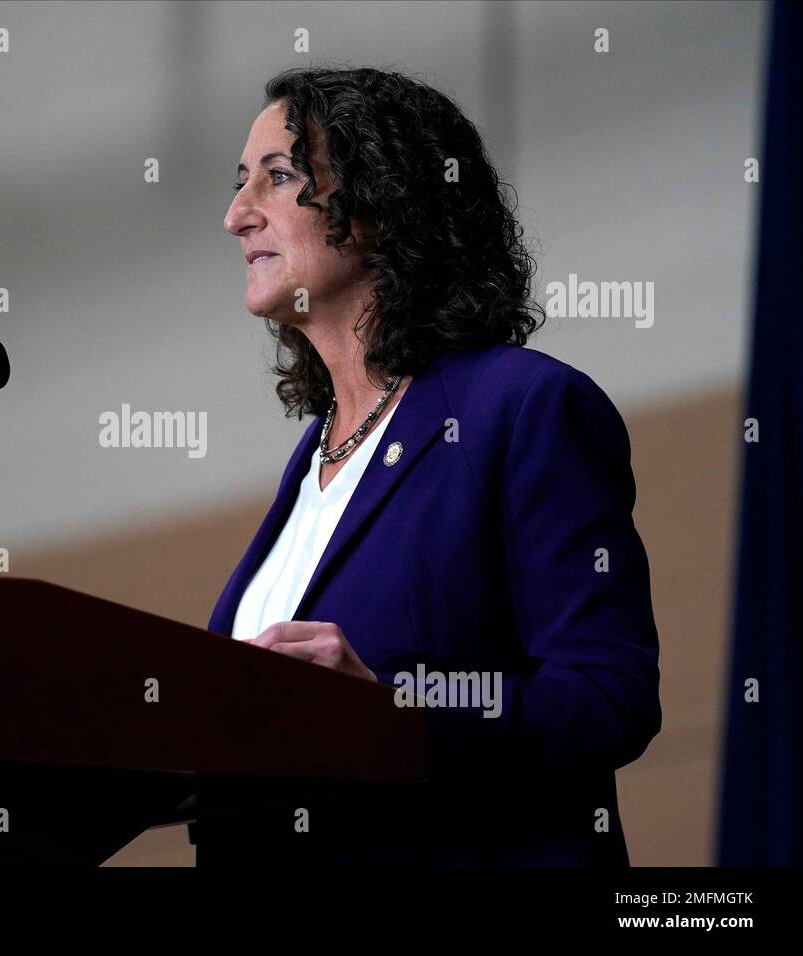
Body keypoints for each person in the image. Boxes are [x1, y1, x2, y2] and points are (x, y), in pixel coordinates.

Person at [190, 66, 661, 866]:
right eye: (242, 185)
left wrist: (393, 709)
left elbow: (608, 699)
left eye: (277, 178)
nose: (238, 216)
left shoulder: (521, 408)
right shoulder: (314, 461)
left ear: (380, 201)